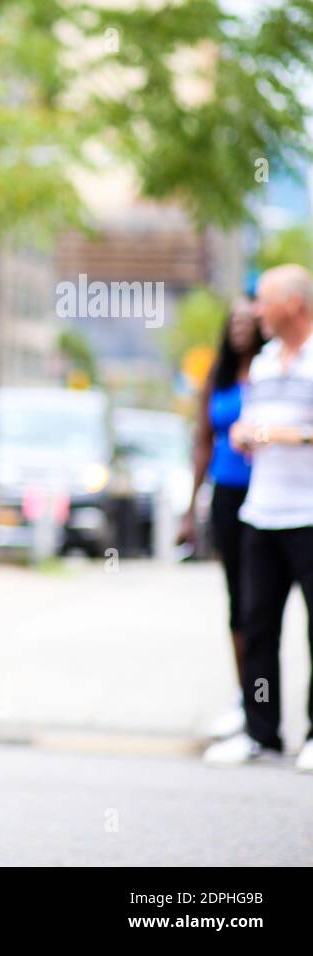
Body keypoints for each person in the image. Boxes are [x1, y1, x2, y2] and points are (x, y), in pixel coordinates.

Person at [204, 264, 313, 772]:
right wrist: (248, 433)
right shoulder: (265, 362)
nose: (256, 311)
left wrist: (284, 434)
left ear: (293, 304)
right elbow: (253, 425)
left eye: (264, 301)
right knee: (257, 625)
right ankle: (260, 731)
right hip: (261, 512)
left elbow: (292, 431)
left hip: (308, 515)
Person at [179, 298, 265, 739]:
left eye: (248, 322)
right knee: (239, 602)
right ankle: (248, 698)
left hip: (271, 497)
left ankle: (266, 702)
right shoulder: (219, 376)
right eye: (232, 322)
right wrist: (191, 506)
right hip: (229, 496)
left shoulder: (274, 370)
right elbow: (201, 442)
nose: (239, 329)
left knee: (263, 605)